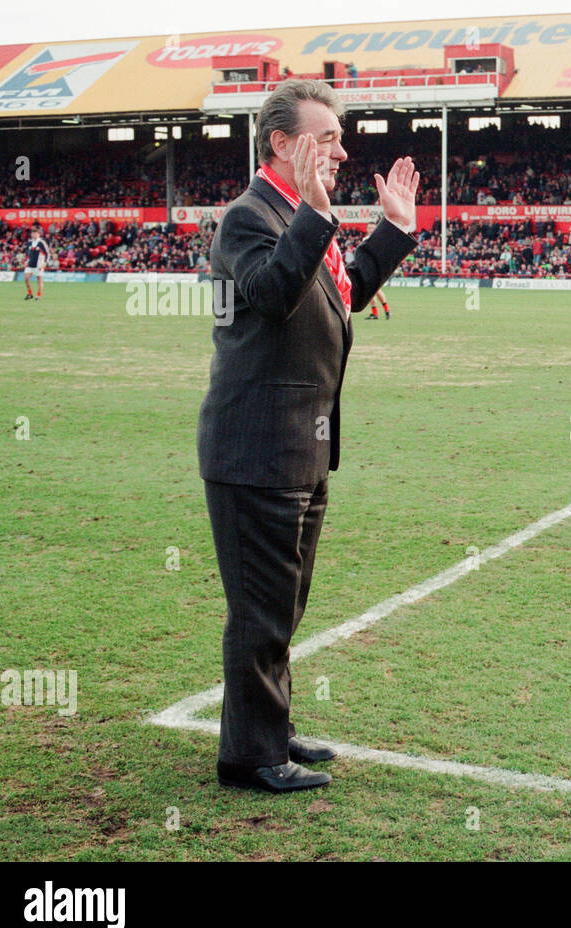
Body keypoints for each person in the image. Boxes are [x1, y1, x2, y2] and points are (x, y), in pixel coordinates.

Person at [197, 79, 421, 794]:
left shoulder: (296, 213)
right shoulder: (247, 217)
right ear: (281, 144)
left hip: (300, 446)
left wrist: (394, 229)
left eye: (339, 136)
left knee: (284, 603)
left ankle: (270, 727)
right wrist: (318, 215)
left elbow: (340, 291)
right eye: (326, 138)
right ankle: (250, 757)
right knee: (261, 610)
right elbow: (270, 292)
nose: (342, 149)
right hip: (256, 449)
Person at [22, 225, 52, 300]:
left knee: (39, 280)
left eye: (35, 233)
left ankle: (38, 295)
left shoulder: (41, 243)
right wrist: (26, 261)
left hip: (39, 265)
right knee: (26, 278)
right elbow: (27, 253)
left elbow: (47, 253)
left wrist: (45, 262)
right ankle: (29, 293)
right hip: (30, 264)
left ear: (38, 234)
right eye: (32, 233)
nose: (33, 235)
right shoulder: (30, 242)